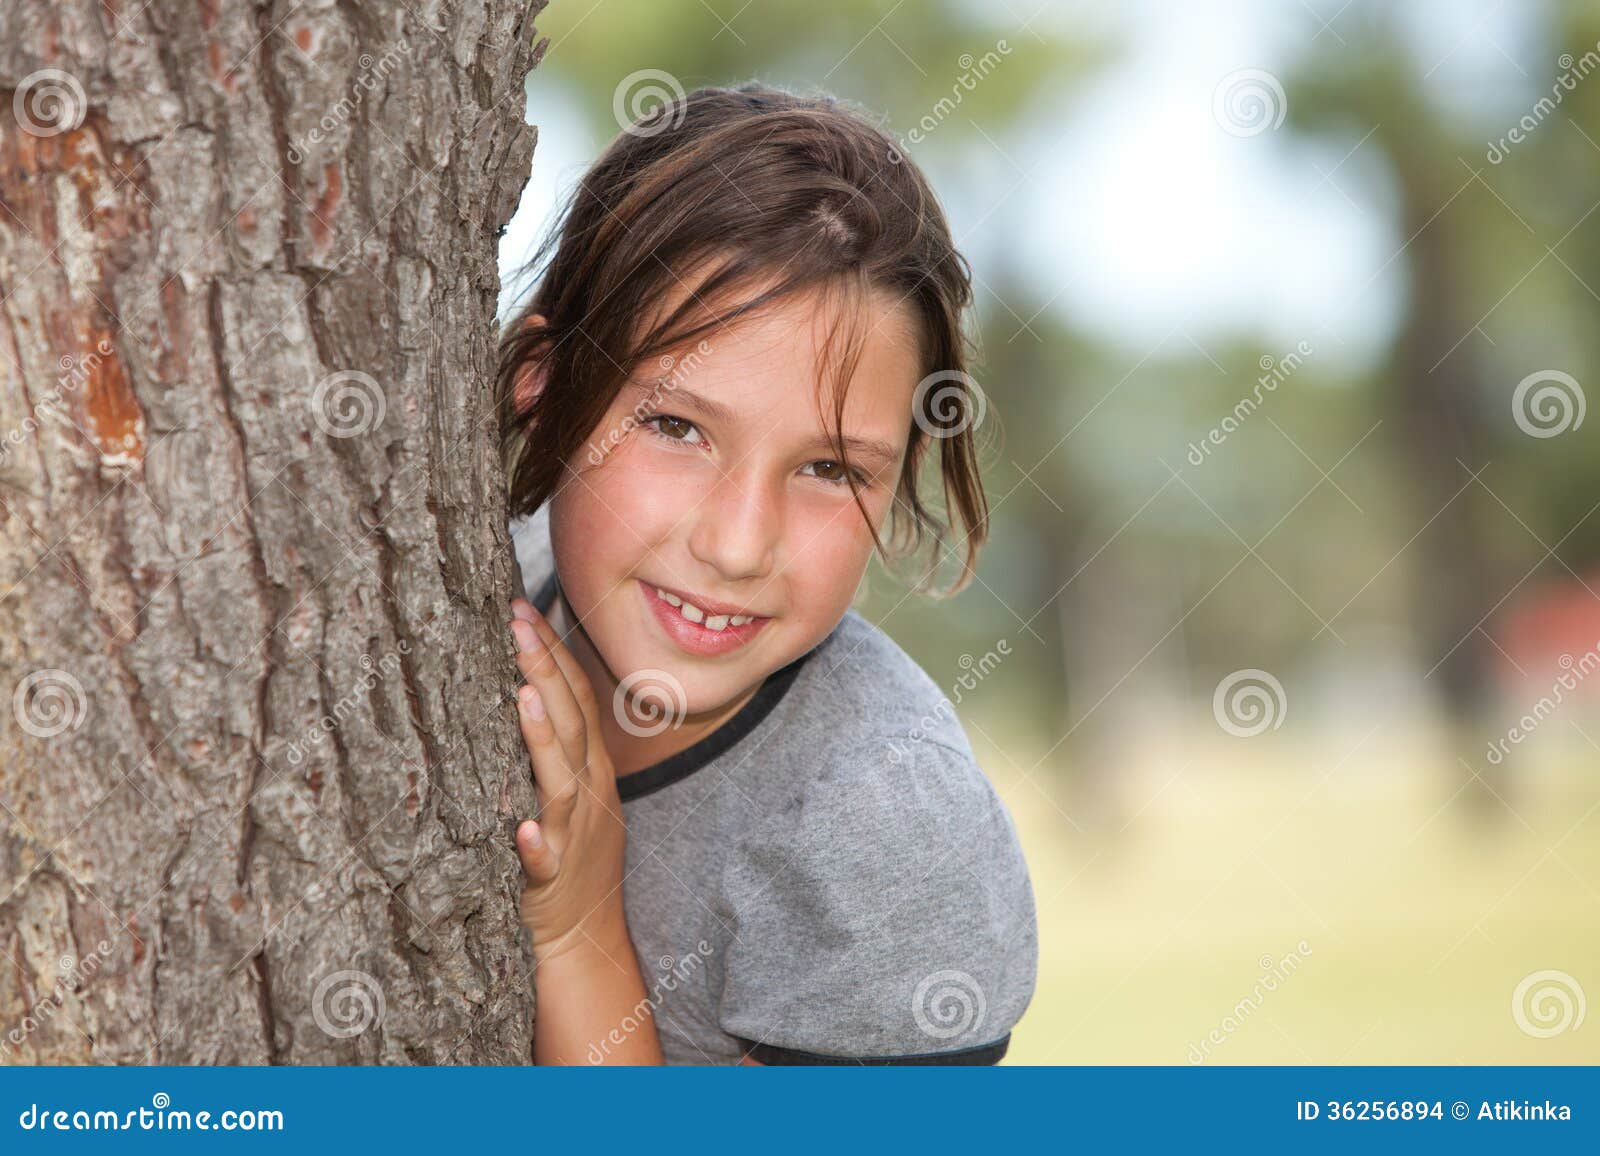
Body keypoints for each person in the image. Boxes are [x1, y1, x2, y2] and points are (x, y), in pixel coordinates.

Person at [497, 81, 1036, 1065]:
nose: (739, 544)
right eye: (675, 427)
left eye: (829, 469)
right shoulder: (484, 584)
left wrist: (579, 935)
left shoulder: (881, 829)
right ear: (543, 381)